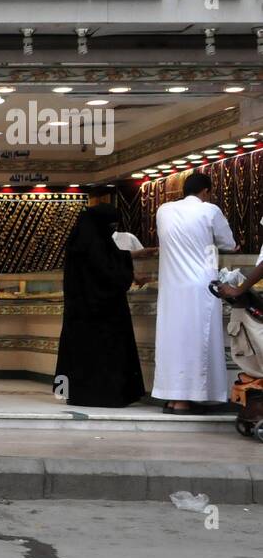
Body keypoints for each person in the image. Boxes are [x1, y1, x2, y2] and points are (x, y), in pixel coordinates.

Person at [153, 172, 237, 414]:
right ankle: (184, 399)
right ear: (205, 192)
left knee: (172, 342)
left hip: (171, 288)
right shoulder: (209, 210)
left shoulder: (163, 210)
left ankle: (170, 397)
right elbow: (228, 243)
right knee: (195, 342)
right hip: (201, 287)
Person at [55, 202, 145, 407]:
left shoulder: (82, 241)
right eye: (110, 225)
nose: (112, 229)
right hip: (104, 315)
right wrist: (129, 270)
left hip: (80, 314)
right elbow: (108, 272)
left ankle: (76, 394)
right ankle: (105, 395)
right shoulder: (95, 244)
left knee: (80, 355)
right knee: (105, 356)